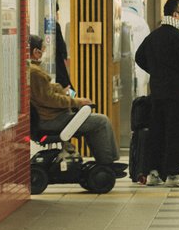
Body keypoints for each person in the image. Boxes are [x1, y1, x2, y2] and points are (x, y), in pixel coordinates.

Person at [133, 0, 179, 187]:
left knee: (158, 131)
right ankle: (173, 173)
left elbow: (139, 57)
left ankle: (154, 173)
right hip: (176, 94)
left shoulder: (154, 36)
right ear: (175, 15)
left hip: (158, 92)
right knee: (178, 132)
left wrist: (156, 72)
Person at [28, 34, 119, 164]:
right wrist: (78, 101)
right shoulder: (35, 72)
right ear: (36, 52)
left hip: (49, 117)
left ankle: (104, 161)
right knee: (101, 121)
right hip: (51, 119)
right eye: (43, 49)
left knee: (91, 122)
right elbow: (49, 99)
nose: (44, 52)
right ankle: (108, 163)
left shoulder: (32, 70)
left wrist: (61, 90)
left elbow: (47, 92)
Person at [52, 3, 72, 91]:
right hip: (59, 63)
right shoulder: (55, 26)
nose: (57, 15)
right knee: (67, 87)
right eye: (56, 12)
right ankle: (73, 103)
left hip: (56, 62)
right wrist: (64, 58)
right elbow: (61, 46)